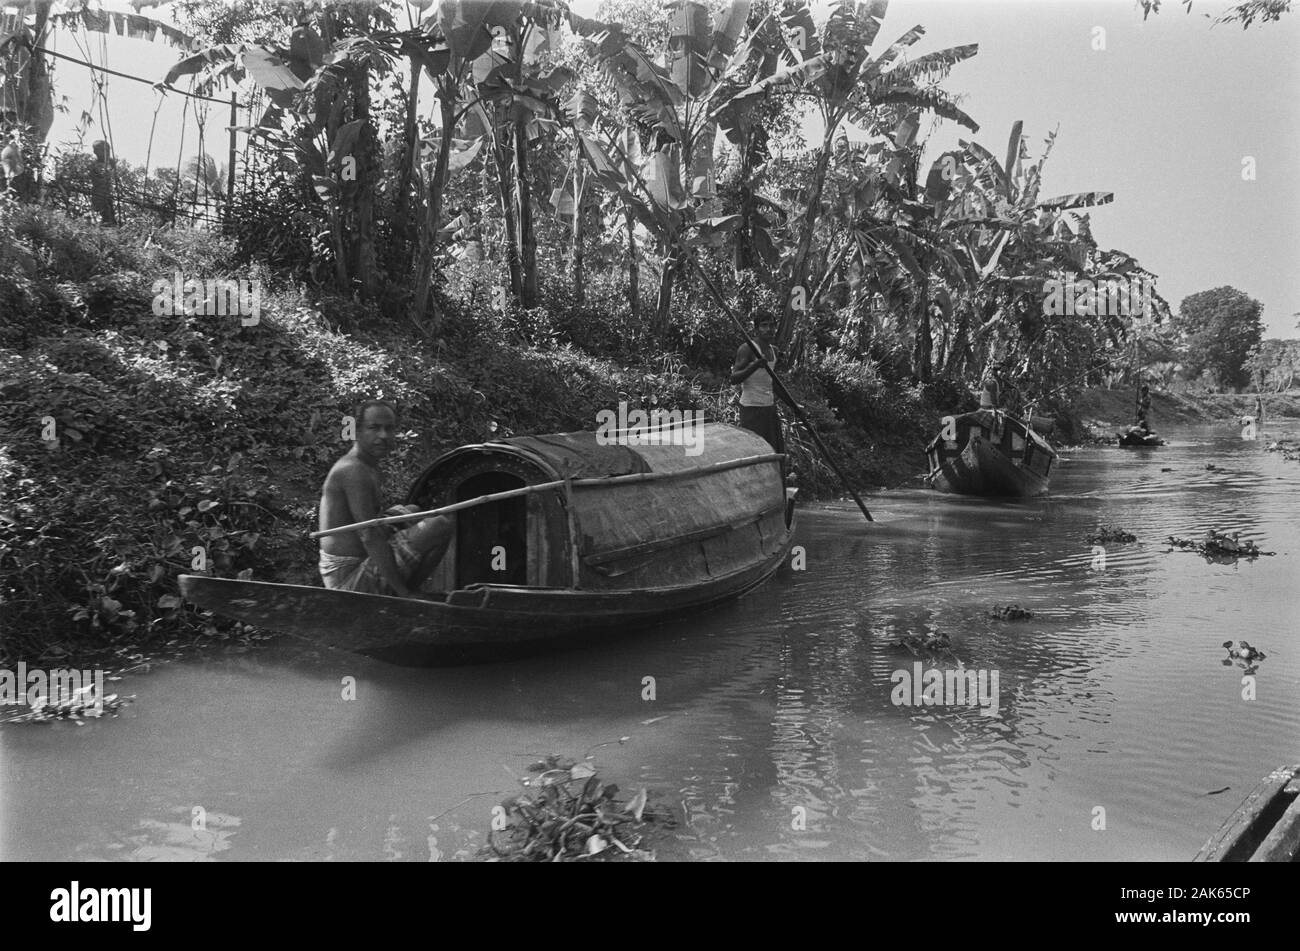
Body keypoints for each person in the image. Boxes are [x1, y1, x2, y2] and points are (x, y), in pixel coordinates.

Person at [318, 400, 454, 596]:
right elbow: (370, 536)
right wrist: (402, 593)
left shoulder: (367, 465)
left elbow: (372, 527)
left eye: (389, 429)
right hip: (349, 581)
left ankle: (402, 589)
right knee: (439, 525)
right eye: (374, 428)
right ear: (357, 431)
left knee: (413, 511)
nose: (383, 436)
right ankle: (406, 593)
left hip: (360, 561)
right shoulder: (353, 470)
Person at [730, 310, 786, 455]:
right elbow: (734, 379)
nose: (769, 329)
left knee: (773, 451)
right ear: (756, 329)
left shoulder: (774, 350)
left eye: (772, 326)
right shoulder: (747, 348)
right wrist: (754, 366)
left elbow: (772, 383)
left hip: (769, 408)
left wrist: (793, 405)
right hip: (751, 409)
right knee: (754, 452)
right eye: (764, 325)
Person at [88, 140, 117, 225]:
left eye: (108, 150)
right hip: (99, 195)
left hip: (107, 195)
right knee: (103, 215)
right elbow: (101, 174)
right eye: (104, 150)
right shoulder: (96, 165)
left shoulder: (108, 163)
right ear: (96, 152)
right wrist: (109, 167)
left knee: (110, 215)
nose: (107, 153)